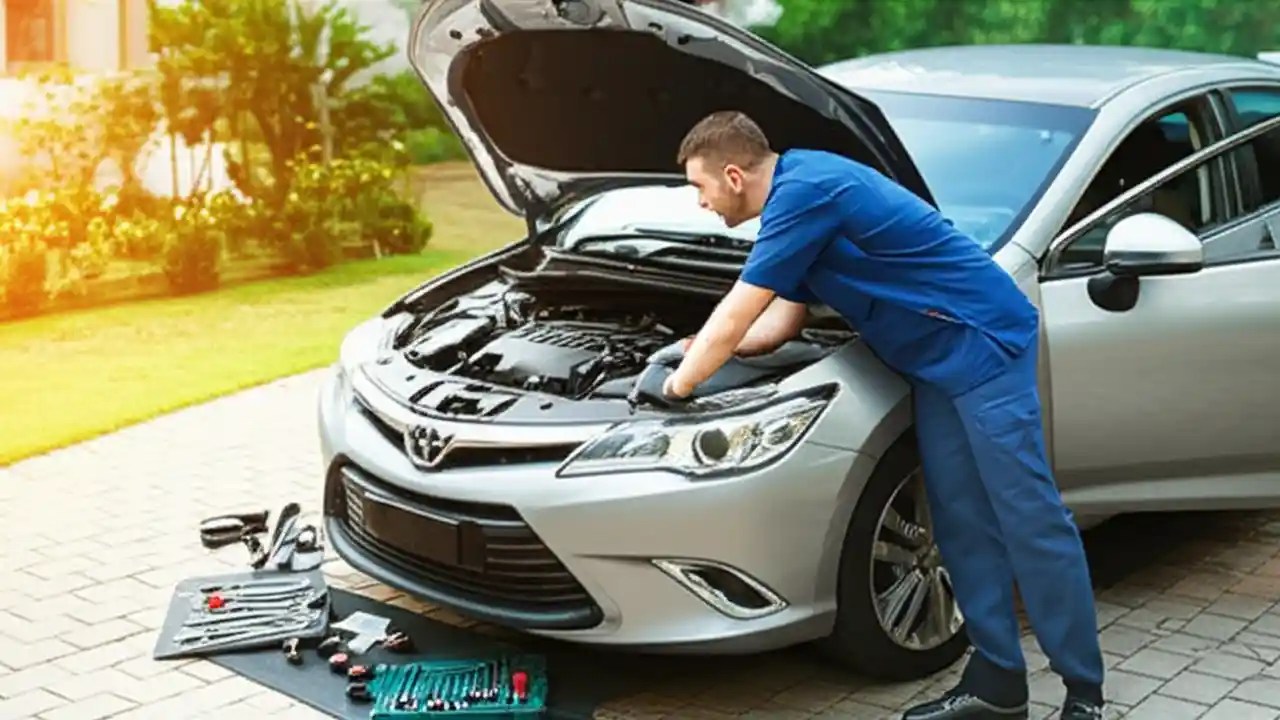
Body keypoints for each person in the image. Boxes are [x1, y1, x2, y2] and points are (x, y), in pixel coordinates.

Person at [661, 110, 1106, 720]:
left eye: (700, 188)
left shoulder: (807, 191)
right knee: (958, 520)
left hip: (983, 345)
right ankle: (999, 686)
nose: (701, 203)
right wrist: (694, 352)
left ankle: (1084, 695)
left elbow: (739, 309)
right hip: (935, 363)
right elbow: (775, 325)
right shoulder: (796, 203)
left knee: (1031, 519)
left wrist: (678, 388)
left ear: (733, 175)